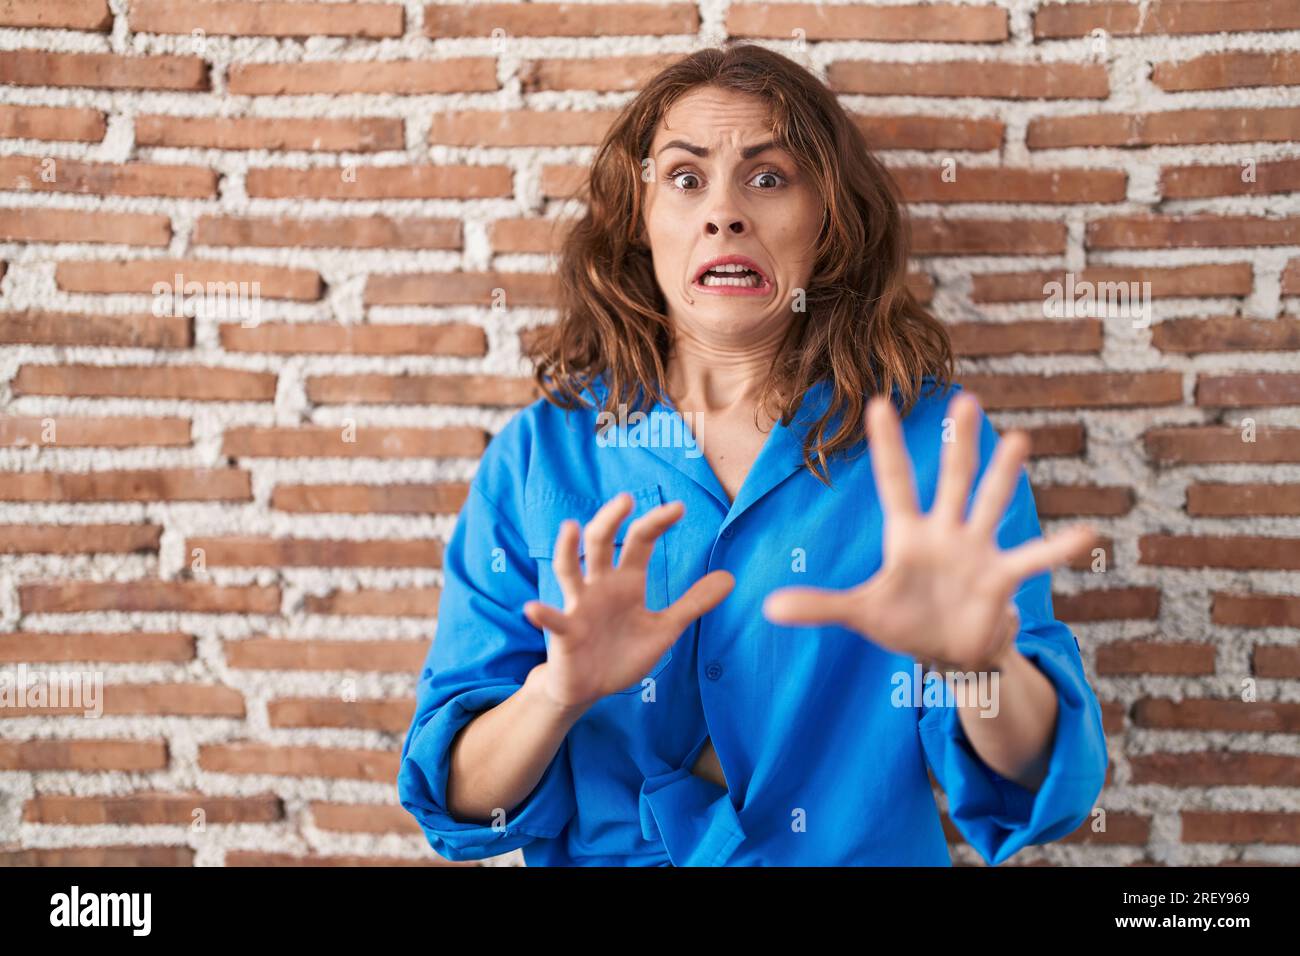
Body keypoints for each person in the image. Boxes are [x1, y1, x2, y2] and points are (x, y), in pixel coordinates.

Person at [397, 42, 1108, 866]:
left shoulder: (933, 446)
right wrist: (557, 692)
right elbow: (455, 803)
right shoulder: (538, 457)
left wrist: (979, 665)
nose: (723, 213)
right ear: (641, 216)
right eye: (686, 178)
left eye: (768, 178)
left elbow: (1041, 780)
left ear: (830, 221)